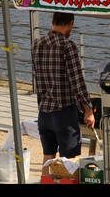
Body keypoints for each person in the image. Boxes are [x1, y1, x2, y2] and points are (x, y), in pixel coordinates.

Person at [32, 11, 95, 160]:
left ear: (53, 21)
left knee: (48, 157)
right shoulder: (68, 46)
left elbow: (38, 77)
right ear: (71, 24)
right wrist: (88, 110)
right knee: (68, 163)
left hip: (44, 112)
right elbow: (77, 81)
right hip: (63, 113)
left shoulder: (37, 44)